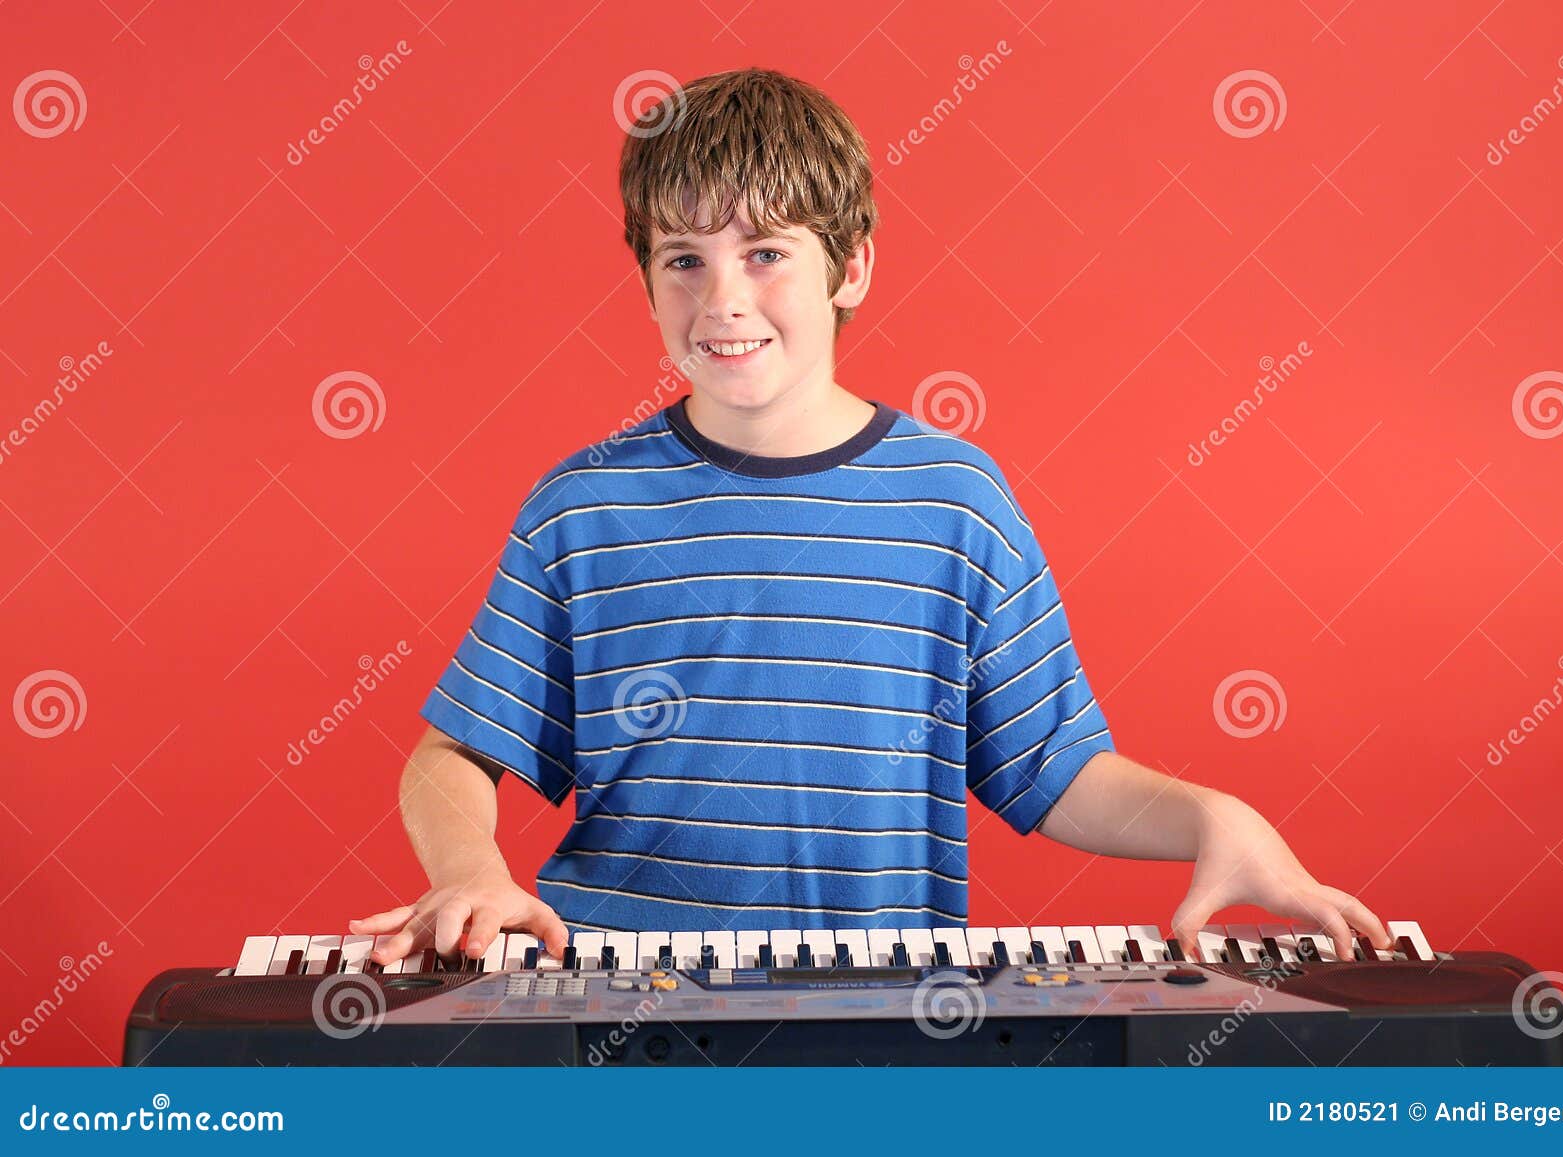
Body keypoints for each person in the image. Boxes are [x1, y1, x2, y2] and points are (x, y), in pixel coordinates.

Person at [354, 67, 1390, 968]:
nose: (721, 297)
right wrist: (471, 870)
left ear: (850, 267)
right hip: (619, 1009)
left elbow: (1055, 767)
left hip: (886, 1011)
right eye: (683, 258)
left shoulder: (956, 500)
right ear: (647, 280)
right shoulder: (580, 508)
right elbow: (452, 754)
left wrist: (1219, 817)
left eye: (764, 252)